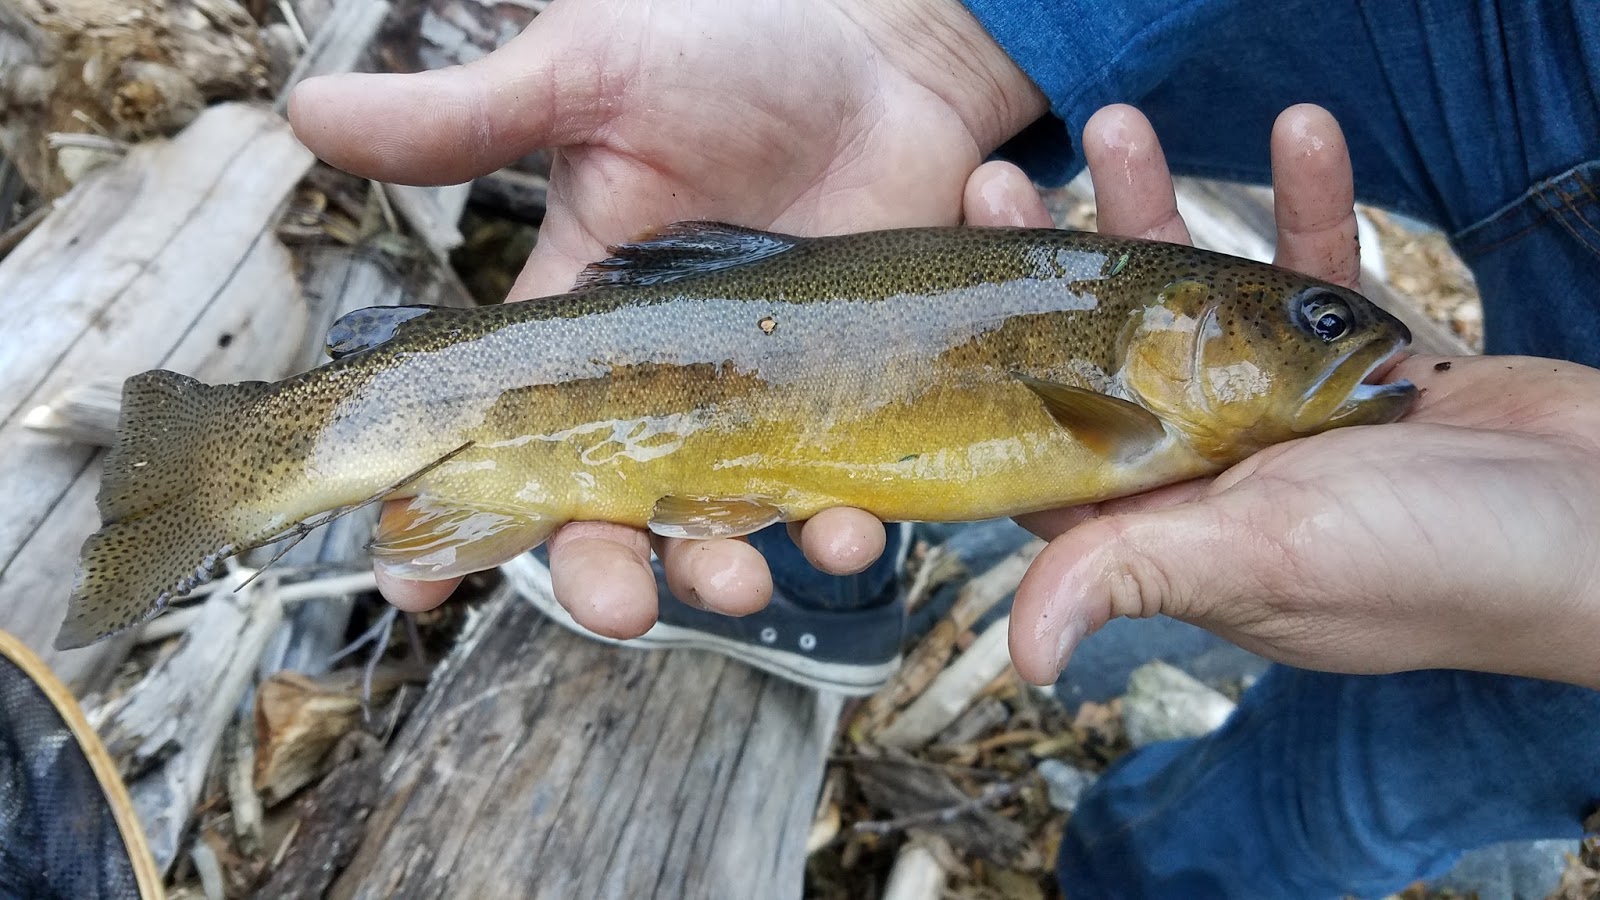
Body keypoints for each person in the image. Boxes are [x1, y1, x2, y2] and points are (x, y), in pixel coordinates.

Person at [286, 0, 1600, 895]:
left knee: (1407, 769)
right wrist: (933, 31)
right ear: (1190, 329)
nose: (1346, 340)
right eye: (1317, 320)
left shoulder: (1151, 398)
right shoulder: (1138, 411)